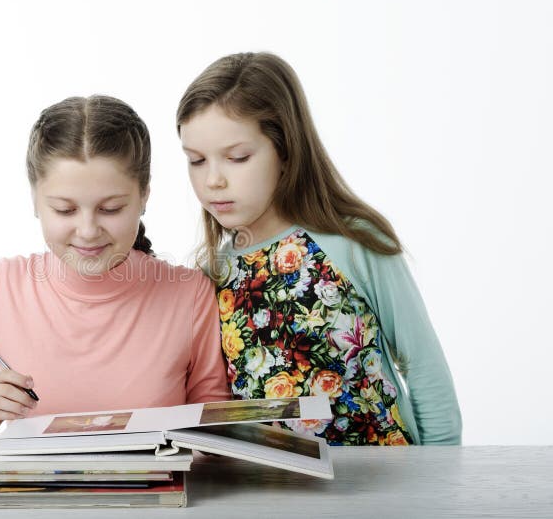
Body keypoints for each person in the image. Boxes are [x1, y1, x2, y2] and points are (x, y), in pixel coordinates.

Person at [0, 95, 230, 450]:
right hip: (31, 504)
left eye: (111, 209)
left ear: (144, 197)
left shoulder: (188, 294)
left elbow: (217, 436)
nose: (88, 230)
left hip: (158, 503)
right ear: (34, 199)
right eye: (64, 210)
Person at [176, 52, 462, 445]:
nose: (213, 180)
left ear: (286, 150)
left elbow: (424, 369)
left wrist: (442, 484)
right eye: (195, 160)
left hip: (390, 490)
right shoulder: (214, 273)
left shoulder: (354, 242)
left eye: (237, 157)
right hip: (275, 498)